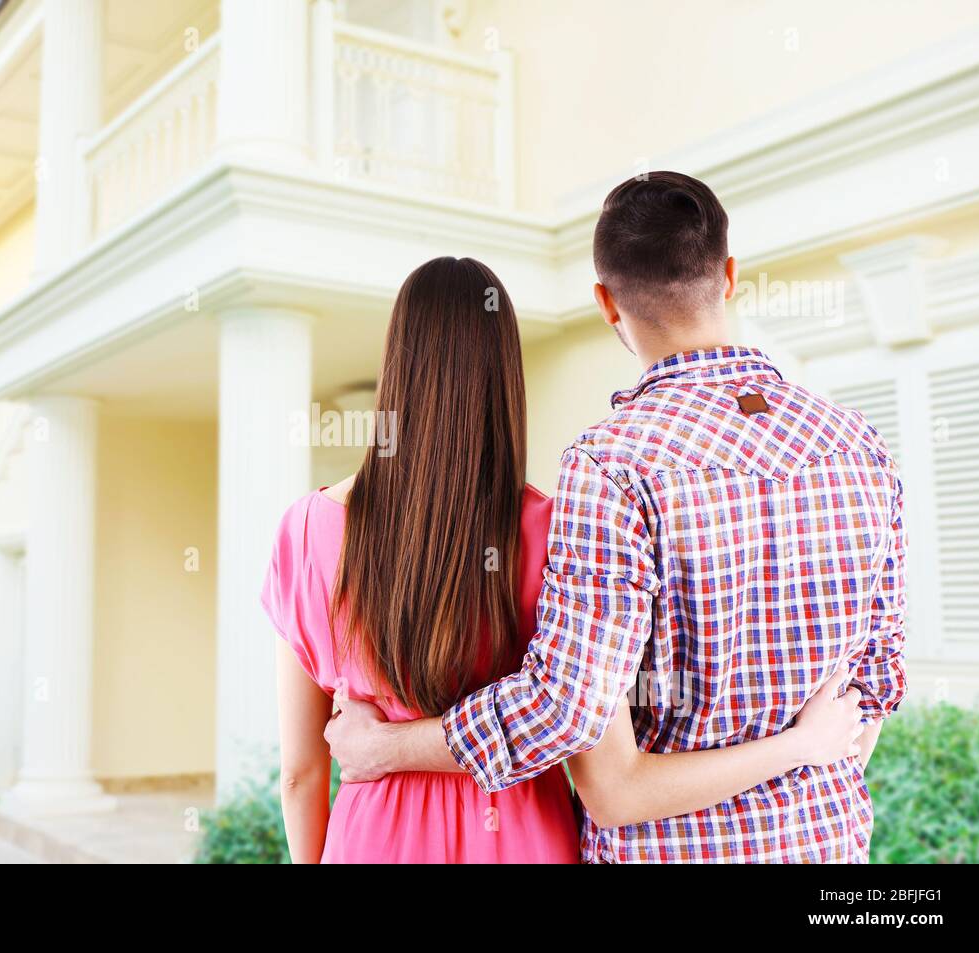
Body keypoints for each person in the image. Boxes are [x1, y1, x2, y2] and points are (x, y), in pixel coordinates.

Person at [265, 252, 869, 863]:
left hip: (374, 839)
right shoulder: (553, 527)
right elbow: (593, 751)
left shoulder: (308, 530)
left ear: (396, 364)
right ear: (505, 374)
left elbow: (299, 773)